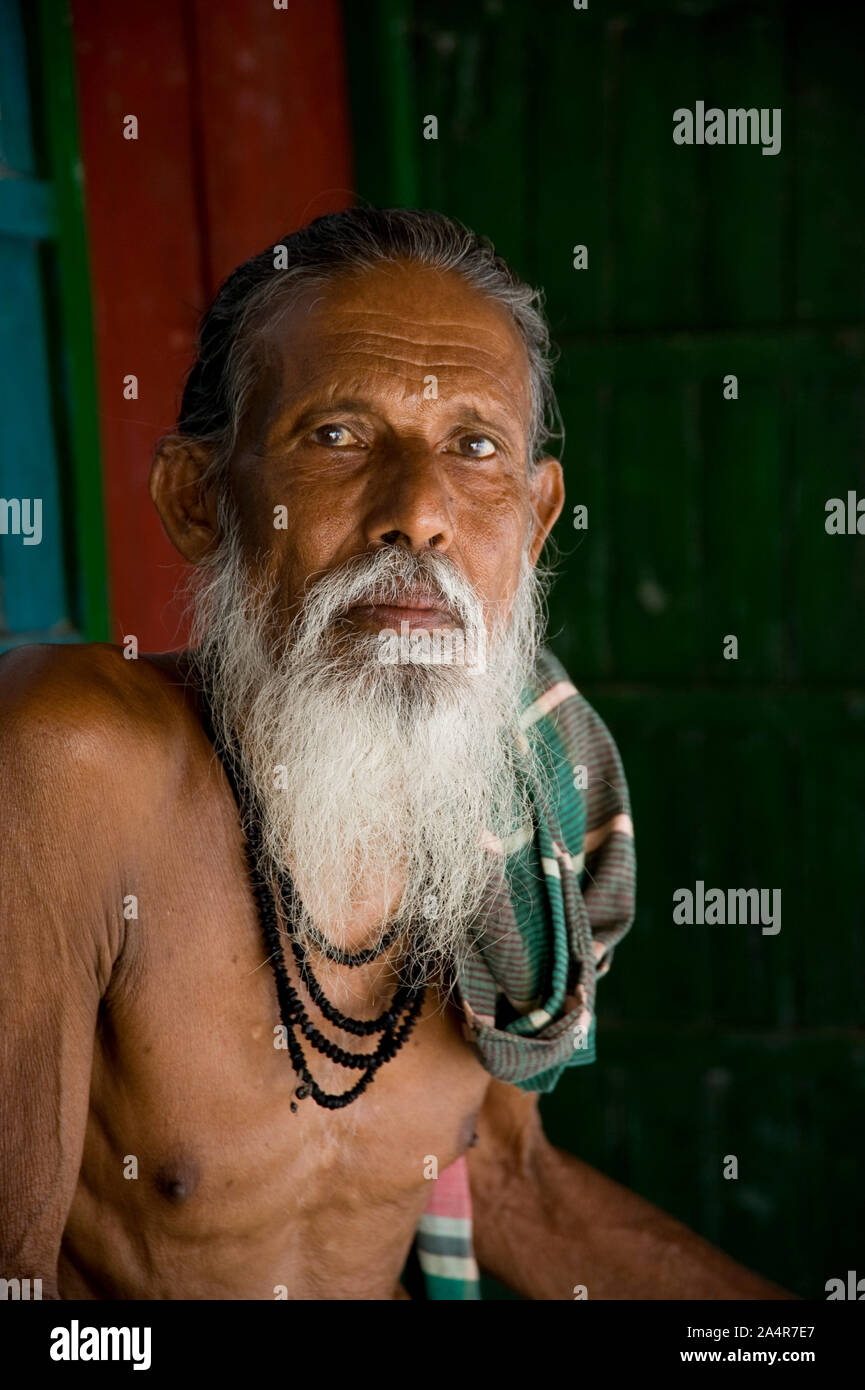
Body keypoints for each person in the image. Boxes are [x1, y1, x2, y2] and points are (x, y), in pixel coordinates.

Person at [0, 208, 791, 1300]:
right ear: (197, 499)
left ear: (535, 512)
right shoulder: (77, 756)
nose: (417, 512)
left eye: (474, 448)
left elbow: (510, 1180)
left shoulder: (505, 798)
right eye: (338, 435)